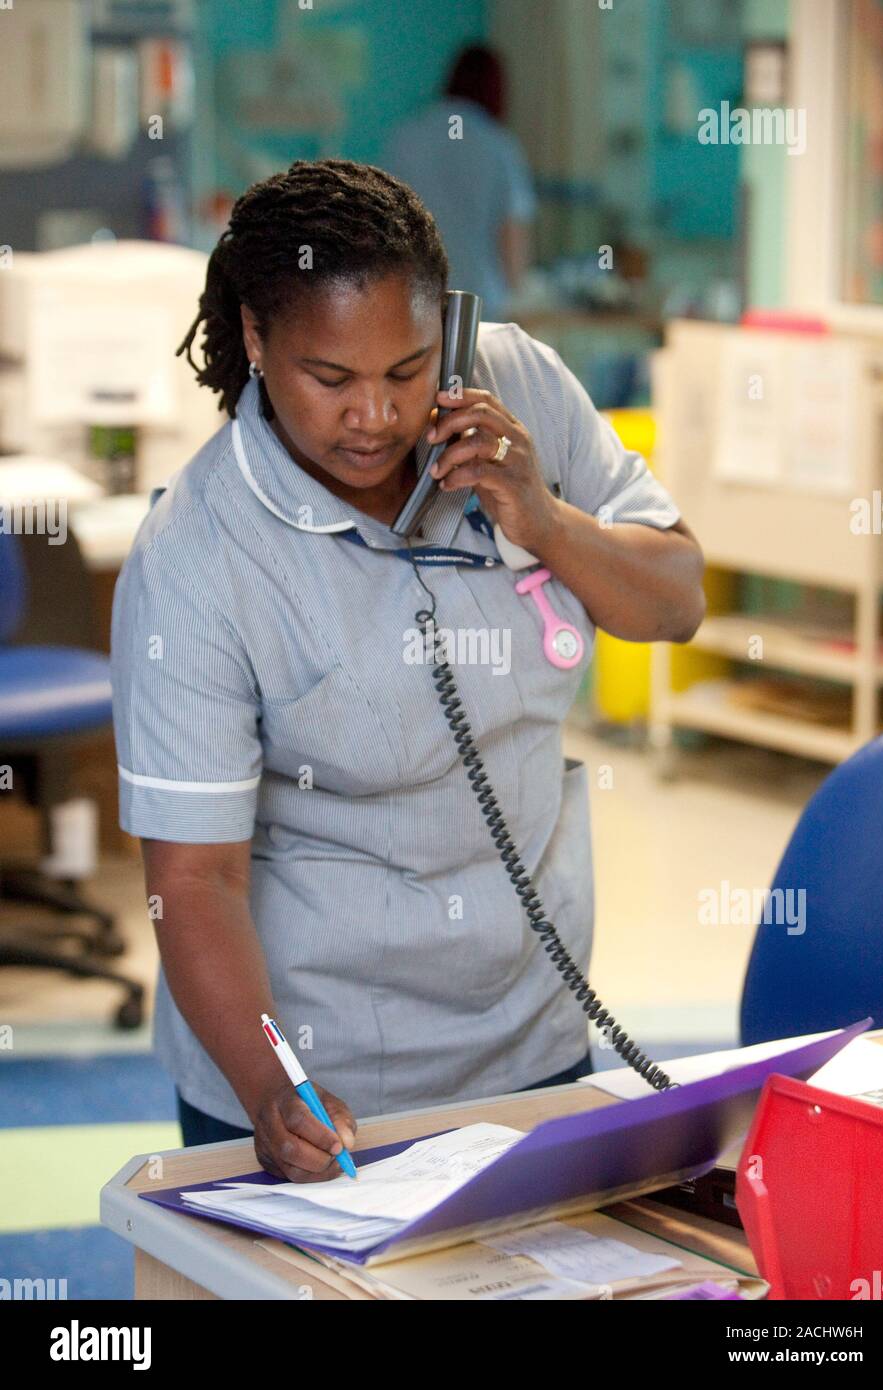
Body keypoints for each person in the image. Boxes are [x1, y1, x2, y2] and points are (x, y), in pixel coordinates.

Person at [111, 158, 704, 1182]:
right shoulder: (195, 557)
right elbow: (193, 880)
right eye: (330, 378)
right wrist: (270, 1084)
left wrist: (547, 520)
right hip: (317, 1077)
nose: (375, 418)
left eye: (407, 369)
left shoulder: (519, 386)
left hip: (530, 1040)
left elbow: (678, 597)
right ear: (255, 339)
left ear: (453, 333)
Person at [381, 44, 535, 319]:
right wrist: (519, 292)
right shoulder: (499, 146)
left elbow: (383, 221)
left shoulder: (407, 136)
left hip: (412, 299)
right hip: (480, 304)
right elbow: (512, 235)